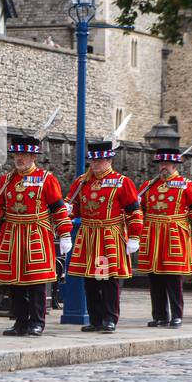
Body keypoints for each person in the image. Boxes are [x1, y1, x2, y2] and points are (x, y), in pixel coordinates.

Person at [0, 134, 72, 336]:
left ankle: (36, 321)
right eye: (17, 154)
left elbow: (58, 208)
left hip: (36, 233)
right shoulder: (6, 179)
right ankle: (19, 321)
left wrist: (65, 232)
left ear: (34, 157)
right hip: (12, 234)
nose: (20, 158)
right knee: (15, 283)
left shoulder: (46, 179)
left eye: (25, 155)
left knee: (36, 282)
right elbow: (1, 211)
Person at [65, 140, 144, 333]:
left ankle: (109, 318)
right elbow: (72, 206)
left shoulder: (122, 182)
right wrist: (66, 210)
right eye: (93, 161)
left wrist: (134, 236)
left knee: (107, 279)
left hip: (108, 236)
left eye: (99, 160)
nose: (95, 164)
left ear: (109, 160)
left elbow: (134, 211)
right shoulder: (82, 181)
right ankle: (95, 318)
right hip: (88, 236)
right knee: (90, 280)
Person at [137, 144, 192, 327]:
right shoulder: (149, 185)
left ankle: (177, 315)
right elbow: (140, 210)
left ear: (175, 165)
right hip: (152, 234)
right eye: (161, 163)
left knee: (173, 277)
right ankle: (160, 315)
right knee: (155, 278)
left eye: (168, 163)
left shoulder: (186, 185)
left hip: (174, 233)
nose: (164, 167)